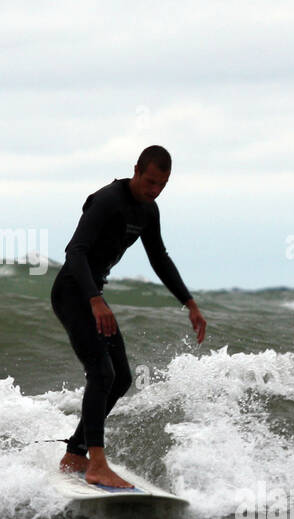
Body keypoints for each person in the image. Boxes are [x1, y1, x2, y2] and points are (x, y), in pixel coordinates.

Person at [52, 146, 206, 487]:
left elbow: (159, 258)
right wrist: (94, 300)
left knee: (120, 377)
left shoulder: (149, 211)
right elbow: (74, 251)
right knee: (101, 372)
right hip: (73, 291)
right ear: (136, 170)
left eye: (162, 185)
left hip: (93, 295)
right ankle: (97, 463)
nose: (154, 190)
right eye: (150, 181)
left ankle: (75, 454)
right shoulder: (107, 200)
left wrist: (190, 303)